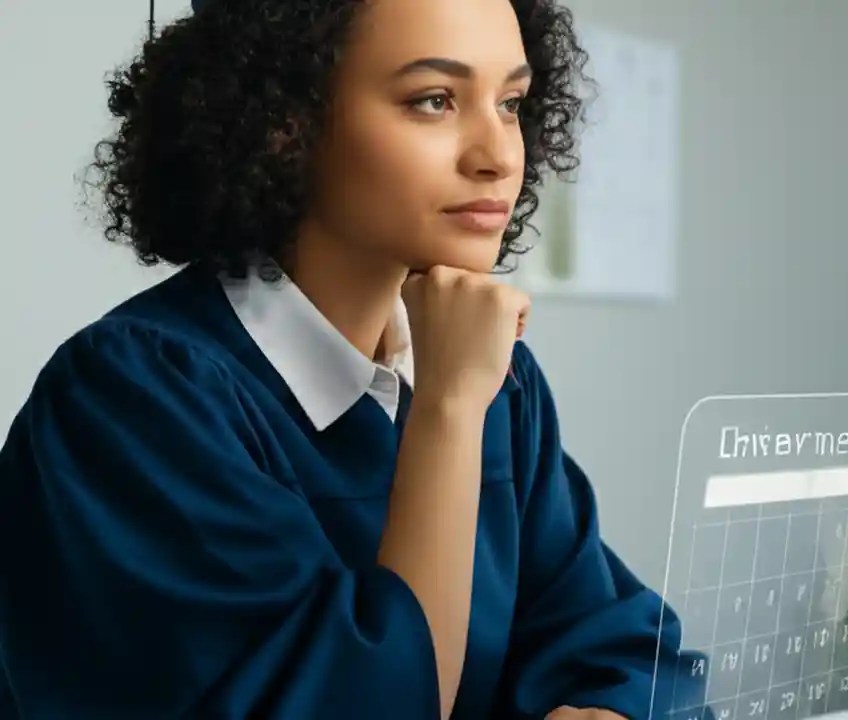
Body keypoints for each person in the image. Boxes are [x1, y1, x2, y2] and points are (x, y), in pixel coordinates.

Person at [0, 0, 683, 717]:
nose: (498, 155)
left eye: (511, 102)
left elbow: (618, 642)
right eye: (434, 100)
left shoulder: (497, 381)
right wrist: (446, 415)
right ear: (283, 122)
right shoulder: (130, 401)